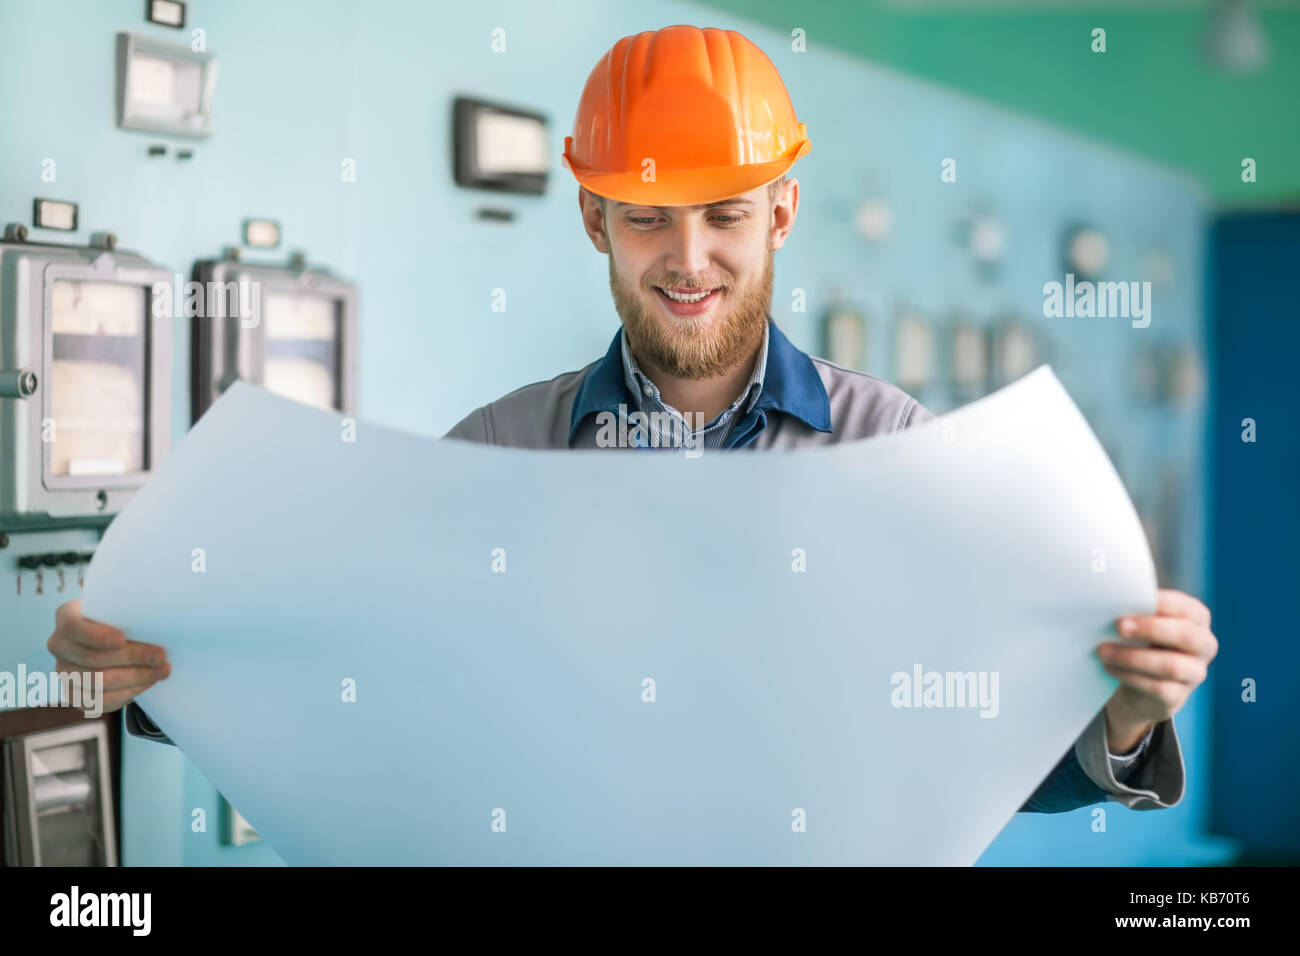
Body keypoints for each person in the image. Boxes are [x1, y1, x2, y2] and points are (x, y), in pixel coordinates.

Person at [47, 24, 1216, 816]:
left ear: (783, 211)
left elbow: (973, 746)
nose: (690, 258)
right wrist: (155, 679)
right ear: (595, 218)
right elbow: (369, 685)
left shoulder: (898, 448)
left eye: (724, 215)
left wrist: (1117, 715)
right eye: (649, 218)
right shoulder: (498, 452)